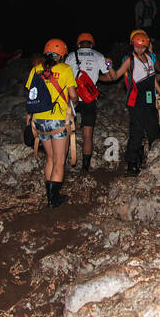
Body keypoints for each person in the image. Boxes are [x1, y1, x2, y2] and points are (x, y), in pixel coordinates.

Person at [102, 29, 160, 175]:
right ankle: (132, 164)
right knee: (136, 132)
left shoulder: (150, 58)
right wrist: (109, 67)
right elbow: (115, 76)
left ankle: (156, 159)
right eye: (137, 46)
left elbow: (152, 79)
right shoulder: (129, 60)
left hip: (149, 99)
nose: (139, 49)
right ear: (133, 45)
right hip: (135, 101)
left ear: (146, 46)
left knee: (153, 130)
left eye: (142, 46)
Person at [25, 40, 77, 207]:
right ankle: (53, 200)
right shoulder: (65, 69)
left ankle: (49, 195)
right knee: (59, 160)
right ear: (62, 54)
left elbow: (30, 93)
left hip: (39, 121)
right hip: (58, 121)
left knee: (50, 158)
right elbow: (73, 95)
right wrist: (74, 104)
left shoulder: (36, 69)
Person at [64, 32, 110, 172]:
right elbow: (108, 76)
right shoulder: (98, 56)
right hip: (90, 99)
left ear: (78, 44)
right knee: (87, 134)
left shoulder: (71, 56)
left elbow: (64, 77)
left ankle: (61, 160)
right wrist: (95, 80)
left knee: (65, 132)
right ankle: (85, 168)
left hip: (73, 98)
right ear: (92, 44)